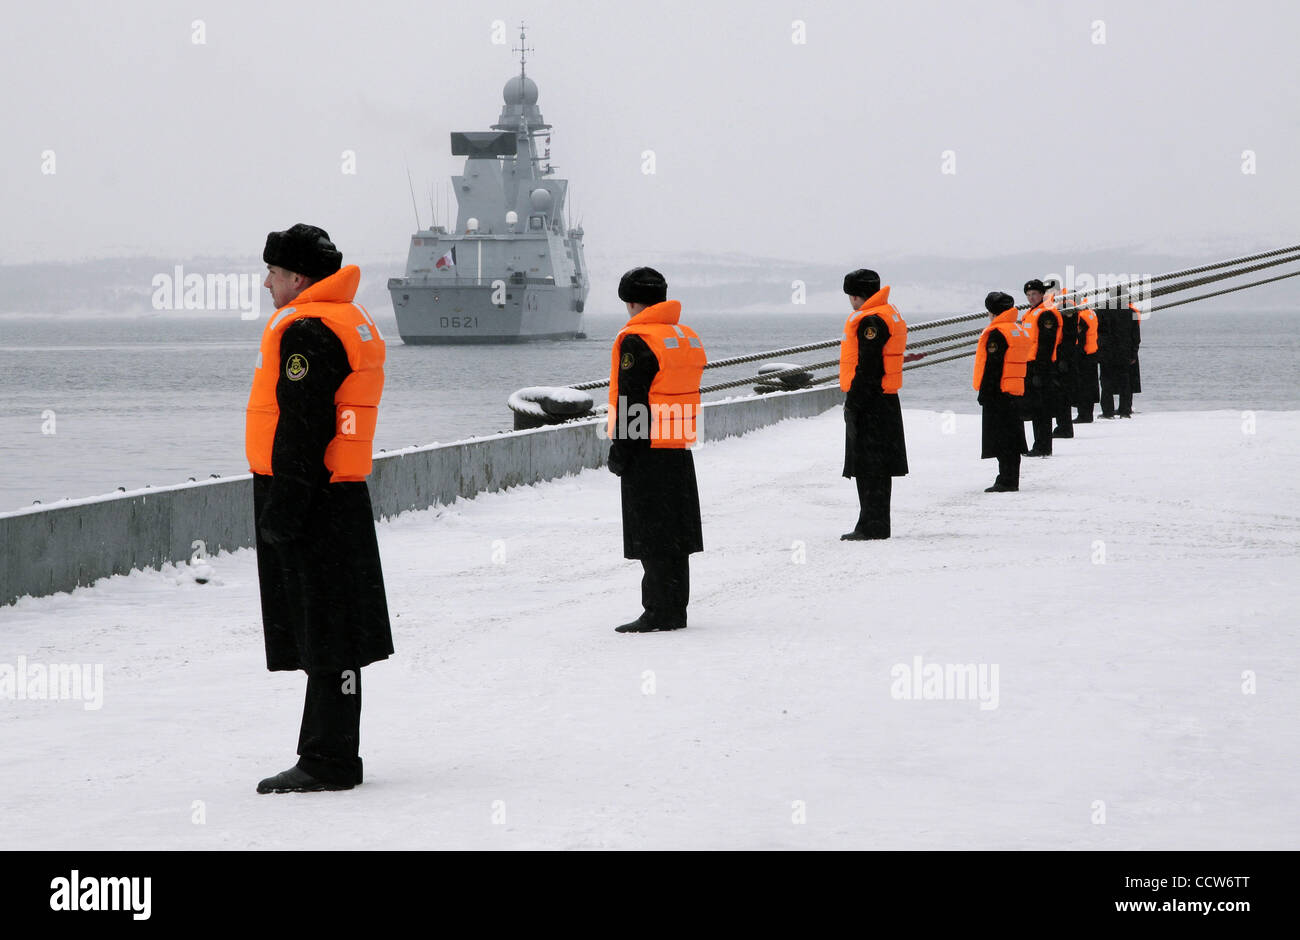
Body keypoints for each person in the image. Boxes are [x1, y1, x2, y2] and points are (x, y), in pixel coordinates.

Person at [247, 223, 393, 793]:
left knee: (325, 628)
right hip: (341, 489)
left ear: (299, 277)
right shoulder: (347, 319)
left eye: (275, 273)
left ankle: (326, 760)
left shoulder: (307, 331)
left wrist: (285, 505)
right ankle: (332, 753)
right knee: (340, 626)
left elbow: (303, 426)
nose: (267, 283)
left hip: (311, 494)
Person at [606, 267, 706, 633]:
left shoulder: (637, 340)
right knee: (675, 535)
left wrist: (621, 450)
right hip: (678, 447)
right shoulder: (683, 337)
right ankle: (674, 608)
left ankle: (657, 611)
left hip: (646, 451)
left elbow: (633, 400)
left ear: (632, 302)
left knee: (650, 534)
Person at [838, 268, 908, 540]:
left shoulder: (871, 321)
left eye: (851, 296)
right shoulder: (887, 313)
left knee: (869, 466)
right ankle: (872, 522)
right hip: (884, 400)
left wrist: (853, 404)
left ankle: (872, 525)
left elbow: (869, 367)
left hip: (871, 401)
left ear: (858, 296)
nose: (850, 301)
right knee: (877, 467)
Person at [973, 291, 1032, 491]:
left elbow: (993, 366)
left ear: (992, 312)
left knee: (1001, 438)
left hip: (998, 392)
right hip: (1015, 390)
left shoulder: (997, 333)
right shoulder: (1018, 330)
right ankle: (1011, 477)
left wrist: (984, 393)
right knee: (1013, 437)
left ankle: (1006, 480)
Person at [1019, 278, 1061, 455]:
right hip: (1030, 365)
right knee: (1036, 408)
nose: (1031, 298)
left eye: (1034, 294)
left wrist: (1039, 370)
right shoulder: (1030, 314)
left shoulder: (1046, 314)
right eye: (1028, 295)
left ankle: (1043, 446)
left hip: (1041, 367)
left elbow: (1046, 344)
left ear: (1042, 294)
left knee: (1042, 409)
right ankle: (1038, 444)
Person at [1098, 283, 1140, 418]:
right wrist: (1134, 353)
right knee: (1125, 382)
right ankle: (1125, 410)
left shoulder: (1102, 311)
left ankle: (1108, 411)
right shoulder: (1132, 312)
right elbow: (1136, 336)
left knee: (1106, 382)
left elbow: (1098, 333)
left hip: (1107, 352)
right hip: (1125, 352)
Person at [1044, 279, 1077, 439]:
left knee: (1062, 394)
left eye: (1048, 291)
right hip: (1059, 356)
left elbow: (1070, 335)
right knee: (1058, 394)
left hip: (1064, 357)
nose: (1046, 295)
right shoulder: (1055, 305)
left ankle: (1065, 427)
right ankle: (1062, 425)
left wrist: (1064, 358)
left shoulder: (1065, 305)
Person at [1073, 297, 1100, 423]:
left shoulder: (1081, 317)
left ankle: (1083, 415)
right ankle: (1088, 413)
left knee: (1082, 386)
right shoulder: (1091, 313)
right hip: (1092, 353)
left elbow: (1081, 336)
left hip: (1083, 355)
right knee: (1090, 385)